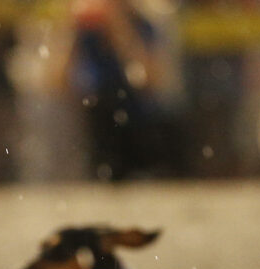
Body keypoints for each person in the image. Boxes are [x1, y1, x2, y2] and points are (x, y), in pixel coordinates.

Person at [66, 0, 184, 181]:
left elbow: (149, 79)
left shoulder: (144, 25)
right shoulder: (88, 30)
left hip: (138, 121)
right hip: (99, 122)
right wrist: (68, 30)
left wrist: (120, 29)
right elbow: (57, 80)